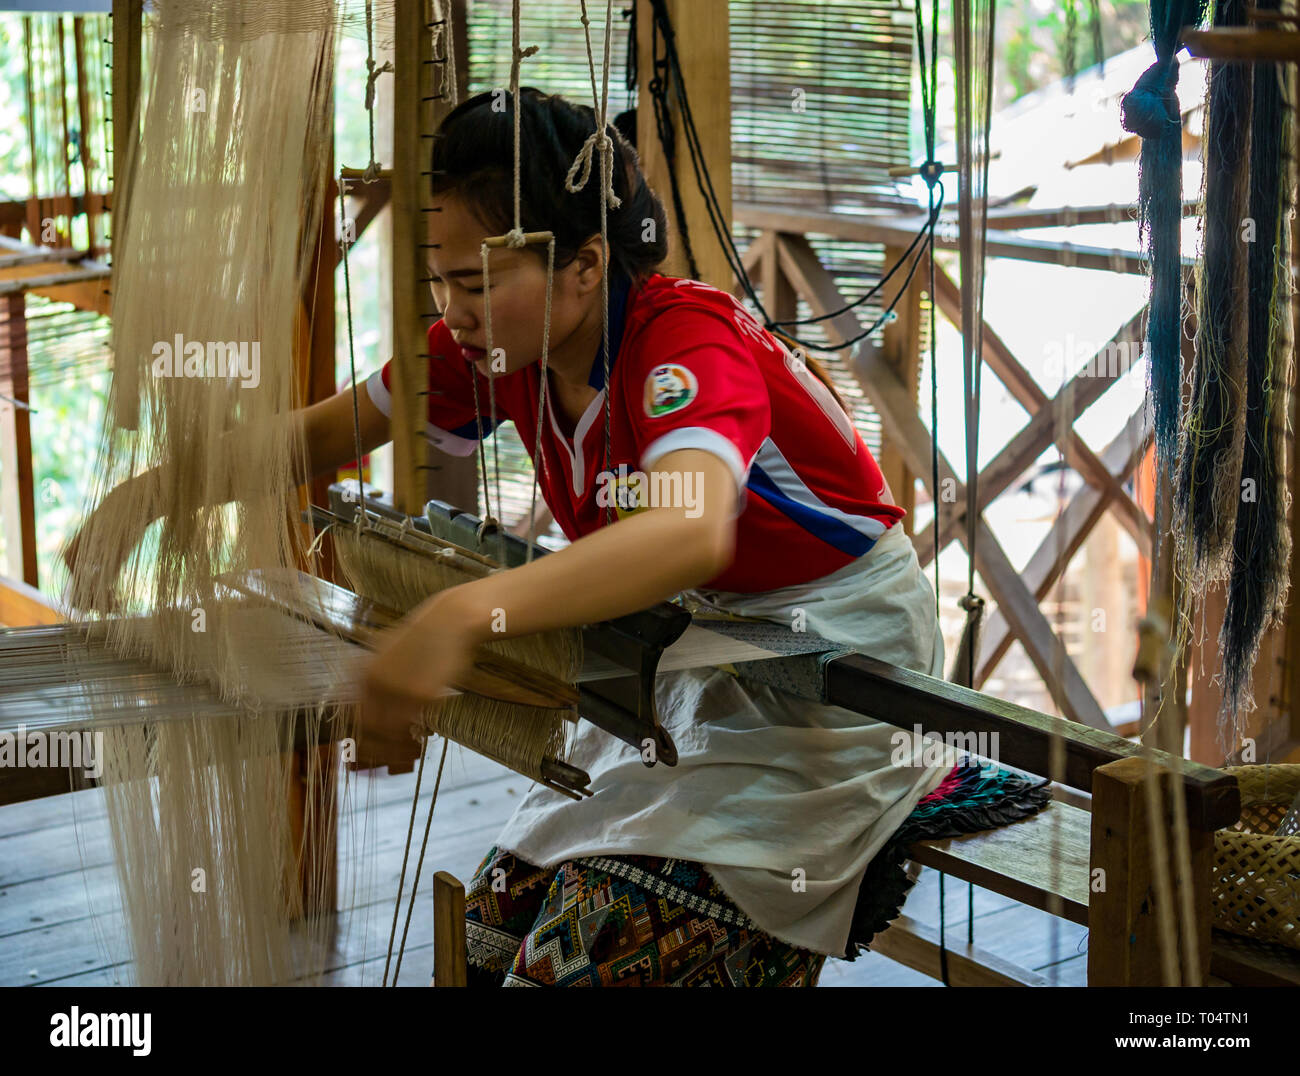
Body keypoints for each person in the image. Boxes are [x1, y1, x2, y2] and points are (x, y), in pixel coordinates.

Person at [69, 88, 949, 987]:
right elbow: (323, 434)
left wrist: (458, 617)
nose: (455, 310)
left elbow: (689, 531)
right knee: (495, 937)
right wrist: (155, 497)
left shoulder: (685, 345)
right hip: (702, 653)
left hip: (839, 672)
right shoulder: (496, 351)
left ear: (585, 264)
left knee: (583, 961)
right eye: (444, 281)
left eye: (480, 283)